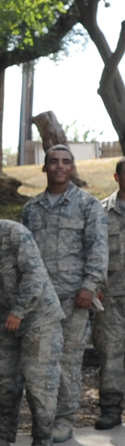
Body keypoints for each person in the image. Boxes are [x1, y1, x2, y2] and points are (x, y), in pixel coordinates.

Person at [21, 144, 107, 442]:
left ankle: (64, 419)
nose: (59, 166)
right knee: (40, 360)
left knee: (69, 360)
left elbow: (98, 248)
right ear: (44, 168)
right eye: (53, 162)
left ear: (72, 168)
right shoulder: (31, 208)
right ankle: (43, 418)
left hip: (74, 297)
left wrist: (90, 285)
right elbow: (23, 255)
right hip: (40, 301)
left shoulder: (87, 205)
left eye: (66, 162)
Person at [0, 214, 64, 446]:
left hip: (38, 315)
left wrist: (19, 311)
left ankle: (43, 435)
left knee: (38, 379)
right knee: (2, 378)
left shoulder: (15, 233)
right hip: (4, 318)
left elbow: (35, 275)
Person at [93, 159, 125, 430]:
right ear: (117, 177)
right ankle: (111, 409)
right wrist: (94, 286)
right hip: (111, 296)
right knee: (110, 353)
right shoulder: (100, 212)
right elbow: (91, 252)